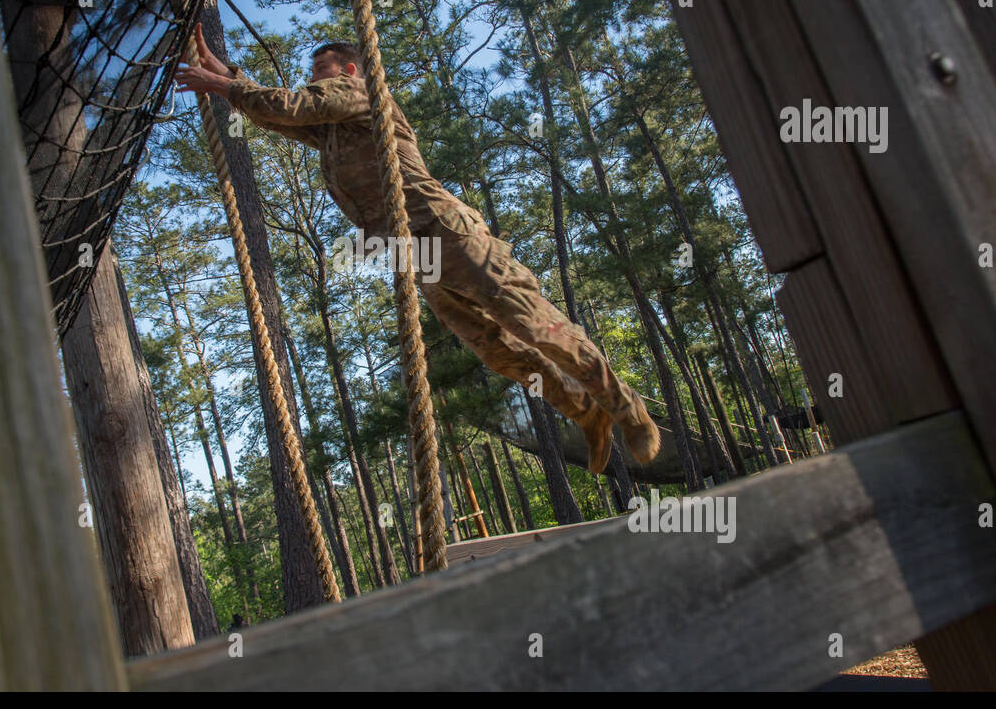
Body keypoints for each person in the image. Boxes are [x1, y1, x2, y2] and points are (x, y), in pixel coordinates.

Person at [176, 24, 659, 474]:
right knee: (497, 350)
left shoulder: (360, 91)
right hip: (417, 253)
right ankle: (584, 411)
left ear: (347, 70)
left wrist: (223, 86)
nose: (313, 80)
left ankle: (626, 407)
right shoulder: (335, 130)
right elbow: (275, 116)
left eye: (319, 71)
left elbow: (290, 106)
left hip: (447, 230)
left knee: (532, 324)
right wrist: (222, 72)